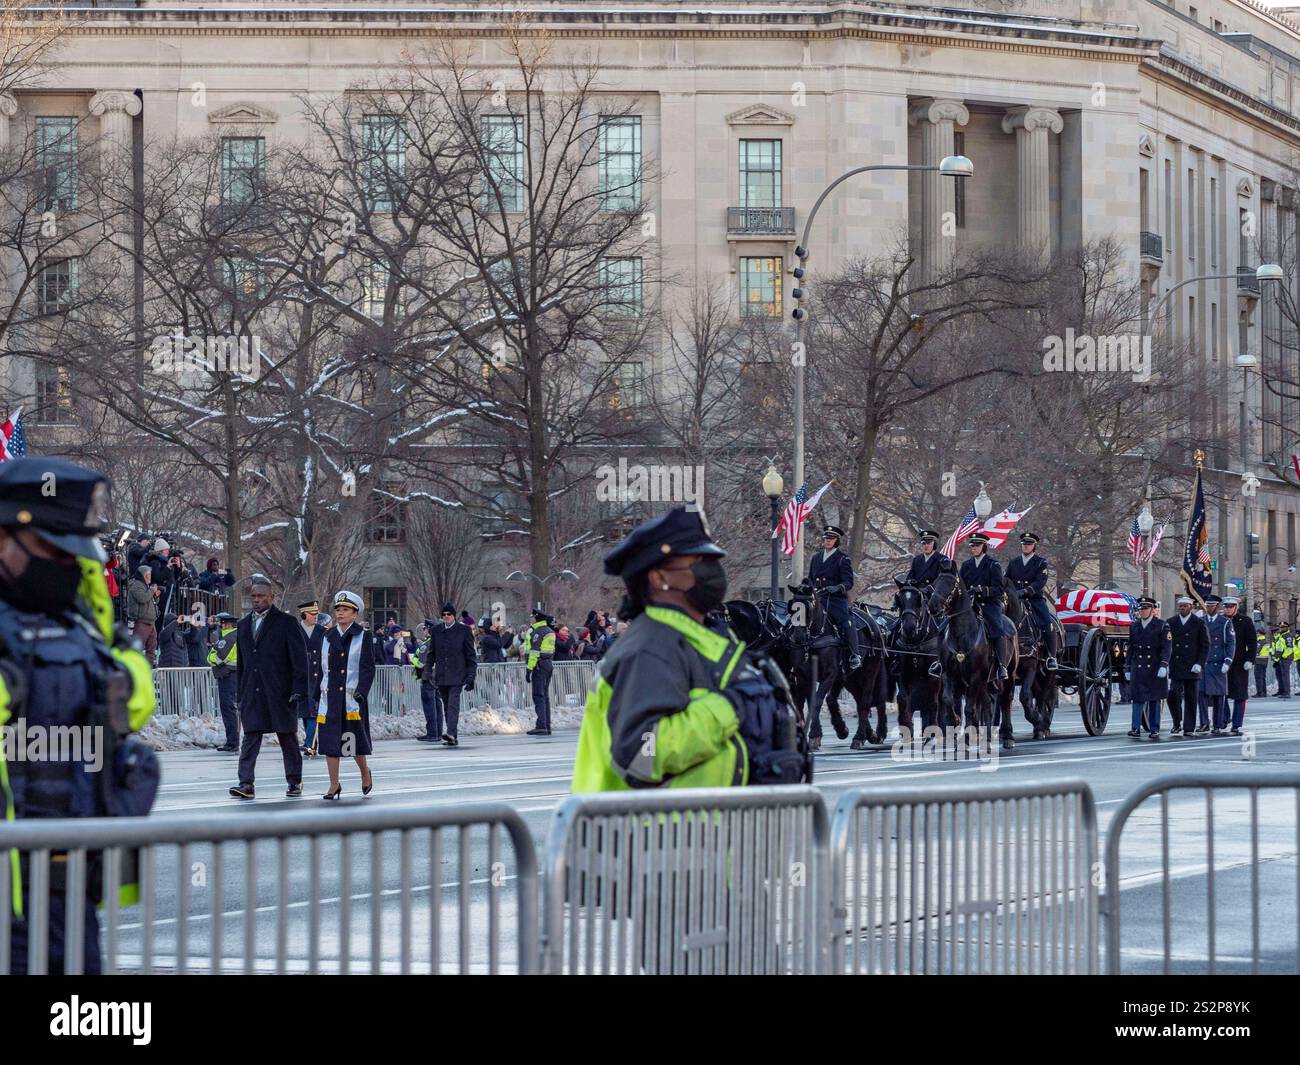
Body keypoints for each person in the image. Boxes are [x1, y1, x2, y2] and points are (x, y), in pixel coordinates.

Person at [0, 457, 159, 974]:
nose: (68, 565)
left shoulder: (79, 625)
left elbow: (132, 699)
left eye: (76, 555)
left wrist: (97, 612)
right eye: (54, 550)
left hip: (67, 891)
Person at [572, 507, 805, 792]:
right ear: (658, 577)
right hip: (652, 833)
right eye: (697, 561)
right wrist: (727, 708)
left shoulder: (705, 638)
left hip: (711, 831)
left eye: (711, 560)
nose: (711, 570)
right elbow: (642, 755)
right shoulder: (650, 648)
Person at [229, 576, 309, 800]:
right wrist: (240, 694)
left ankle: (294, 781)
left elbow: (299, 659)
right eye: (253, 596)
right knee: (250, 737)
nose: (256, 600)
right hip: (252, 692)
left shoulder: (286, 622)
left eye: (261, 596)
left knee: (287, 737)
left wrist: (298, 689)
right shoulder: (244, 625)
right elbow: (242, 663)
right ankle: (246, 783)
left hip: (281, 693)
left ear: (272, 597)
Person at [315, 591, 375, 798]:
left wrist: (362, 693)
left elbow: (368, 668)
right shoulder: (328, 636)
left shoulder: (363, 636)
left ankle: (365, 774)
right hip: (330, 697)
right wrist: (315, 692)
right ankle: (334, 784)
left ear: (355, 613)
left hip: (352, 699)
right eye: (338, 610)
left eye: (345, 610)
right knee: (331, 743)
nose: (340, 614)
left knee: (352, 742)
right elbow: (322, 668)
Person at [416, 604, 477, 747]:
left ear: (454, 615)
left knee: (453, 704)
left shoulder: (464, 630)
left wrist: (471, 676)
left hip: (457, 674)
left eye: (449, 614)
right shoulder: (437, 630)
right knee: (446, 705)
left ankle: (450, 732)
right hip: (442, 675)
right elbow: (432, 654)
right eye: (444, 614)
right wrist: (427, 671)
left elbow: (471, 655)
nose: (446, 617)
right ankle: (452, 737)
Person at [806, 524, 862, 670]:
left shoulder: (842, 559)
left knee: (846, 621)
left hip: (835, 600)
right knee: (798, 618)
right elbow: (811, 578)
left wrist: (837, 587)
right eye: (826, 538)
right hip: (817, 598)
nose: (828, 541)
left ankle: (855, 654)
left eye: (831, 539)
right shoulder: (816, 558)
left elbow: (848, 582)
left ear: (836, 541)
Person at [1003, 531, 1058, 670]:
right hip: (1015, 599)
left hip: (1034, 600)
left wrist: (1026, 591)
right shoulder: (1014, 562)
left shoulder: (1041, 562)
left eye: (1029, 544)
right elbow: (1006, 579)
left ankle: (1052, 657)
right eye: (1024, 544)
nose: (1026, 546)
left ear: (1034, 546)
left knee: (1047, 623)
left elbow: (1040, 582)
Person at [959, 530, 1009, 683]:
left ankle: (1001, 665)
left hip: (988, 604)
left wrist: (983, 590)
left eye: (977, 545)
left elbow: (999, 589)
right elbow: (961, 585)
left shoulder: (992, 564)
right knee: (948, 624)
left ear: (984, 546)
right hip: (970, 605)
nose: (973, 548)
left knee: (997, 628)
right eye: (972, 545)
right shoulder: (966, 565)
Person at [1126, 597, 1171, 739]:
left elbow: (1166, 648)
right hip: (1138, 666)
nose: (1143, 611)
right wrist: (1127, 667)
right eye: (1141, 608)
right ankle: (1135, 727)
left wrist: (1164, 664)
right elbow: (1131, 649)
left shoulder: (1162, 625)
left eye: (1146, 608)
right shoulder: (1134, 626)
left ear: (1152, 610)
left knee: (1154, 699)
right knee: (1137, 699)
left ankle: (1154, 729)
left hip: (1155, 666)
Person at [1166, 595, 1208, 736]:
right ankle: (1176, 722)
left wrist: (1200, 663)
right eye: (1180, 606)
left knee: (1191, 698)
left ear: (1191, 607)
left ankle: (1189, 727)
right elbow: (1166, 644)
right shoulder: (1171, 622)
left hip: (1192, 665)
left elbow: (1204, 646)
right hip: (1176, 664)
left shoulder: (1198, 623)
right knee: (1173, 694)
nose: (1182, 608)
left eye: (1185, 606)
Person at [1198, 594, 1236, 736]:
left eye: (1212, 605)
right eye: (1207, 605)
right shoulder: (1201, 621)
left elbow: (1231, 643)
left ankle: (1218, 723)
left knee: (1218, 696)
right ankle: (1204, 722)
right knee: (1201, 694)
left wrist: (1228, 660)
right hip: (1204, 663)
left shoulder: (1225, 622)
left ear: (1217, 607)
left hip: (1218, 662)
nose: (1209, 608)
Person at [207, 611, 241, 751]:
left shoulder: (228, 638)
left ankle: (232, 742)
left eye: (220, 624)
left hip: (228, 676)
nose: (219, 628)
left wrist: (212, 656)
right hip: (232, 675)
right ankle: (233, 741)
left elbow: (215, 658)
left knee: (228, 709)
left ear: (225, 624)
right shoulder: (236, 635)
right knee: (231, 708)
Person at [1225, 596, 1256, 736]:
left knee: (1239, 694)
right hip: (1223, 662)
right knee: (1221, 693)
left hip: (1239, 663)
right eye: (1226, 606)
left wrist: (1250, 659)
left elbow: (1252, 643)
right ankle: (1224, 718)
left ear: (1236, 607)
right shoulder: (1222, 621)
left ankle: (1236, 724)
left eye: (1231, 606)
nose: (1228, 609)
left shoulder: (1245, 622)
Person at [298, 600, 326, 753]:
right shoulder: (295, 630)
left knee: (313, 711)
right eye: (312, 614)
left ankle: (309, 742)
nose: (316, 617)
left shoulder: (323, 631)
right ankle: (314, 743)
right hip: (301, 677)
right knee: (304, 711)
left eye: (317, 614)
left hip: (317, 677)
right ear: (304, 615)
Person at [523, 608, 557, 736]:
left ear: (536, 618)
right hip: (547, 664)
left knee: (538, 696)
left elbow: (534, 652)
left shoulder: (537, 632)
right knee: (545, 696)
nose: (531, 619)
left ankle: (541, 725)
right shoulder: (549, 630)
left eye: (532, 617)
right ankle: (546, 725)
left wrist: (529, 668)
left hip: (539, 666)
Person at [412, 619, 445, 742]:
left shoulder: (428, 643)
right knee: (437, 705)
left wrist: (413, 659)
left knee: (429, 706)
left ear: (430, 629)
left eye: (425, 628)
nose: (424, 631)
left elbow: (421, 662)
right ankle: (438, 732)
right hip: (437, 677)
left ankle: (432, 733)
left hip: (428, 677)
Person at [126, 563, 159, 663]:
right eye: (149, 575)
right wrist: (152, 592)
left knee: (151, 649)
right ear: (144, 575)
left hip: (151, 622)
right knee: (138, 649)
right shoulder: (136, 585)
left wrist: (156, 596)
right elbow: (142, 598)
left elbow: (151, 601)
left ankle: (149, 670)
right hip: (141, 622)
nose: (150, 577)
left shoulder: (145, 586)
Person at [1270, 624, 1292, 699]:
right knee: (1282, 676)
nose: (1281, 629)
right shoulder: (1281, 636)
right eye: (1281, 627)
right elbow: (1278, 649)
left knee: (1285, 676)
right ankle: (1284, 691)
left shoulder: (1288, 636)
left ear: (1287, 628)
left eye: (1283, 627)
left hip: (1286, 658)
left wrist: (1283, 656)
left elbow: (1289, 649)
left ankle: (1287, 692)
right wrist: (1276, 659)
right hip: (1281, 659)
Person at [1253, 609, 1270, 698]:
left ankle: (1260, 692)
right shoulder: (1265, 641)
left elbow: (1256, 650)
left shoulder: (1260, 641)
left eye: (1257, 633)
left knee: (1258, 677)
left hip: (1259, 661)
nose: (1256, 634)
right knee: (1263, 677)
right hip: (1265, 661)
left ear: (1259, 633)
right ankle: (1264, 692)